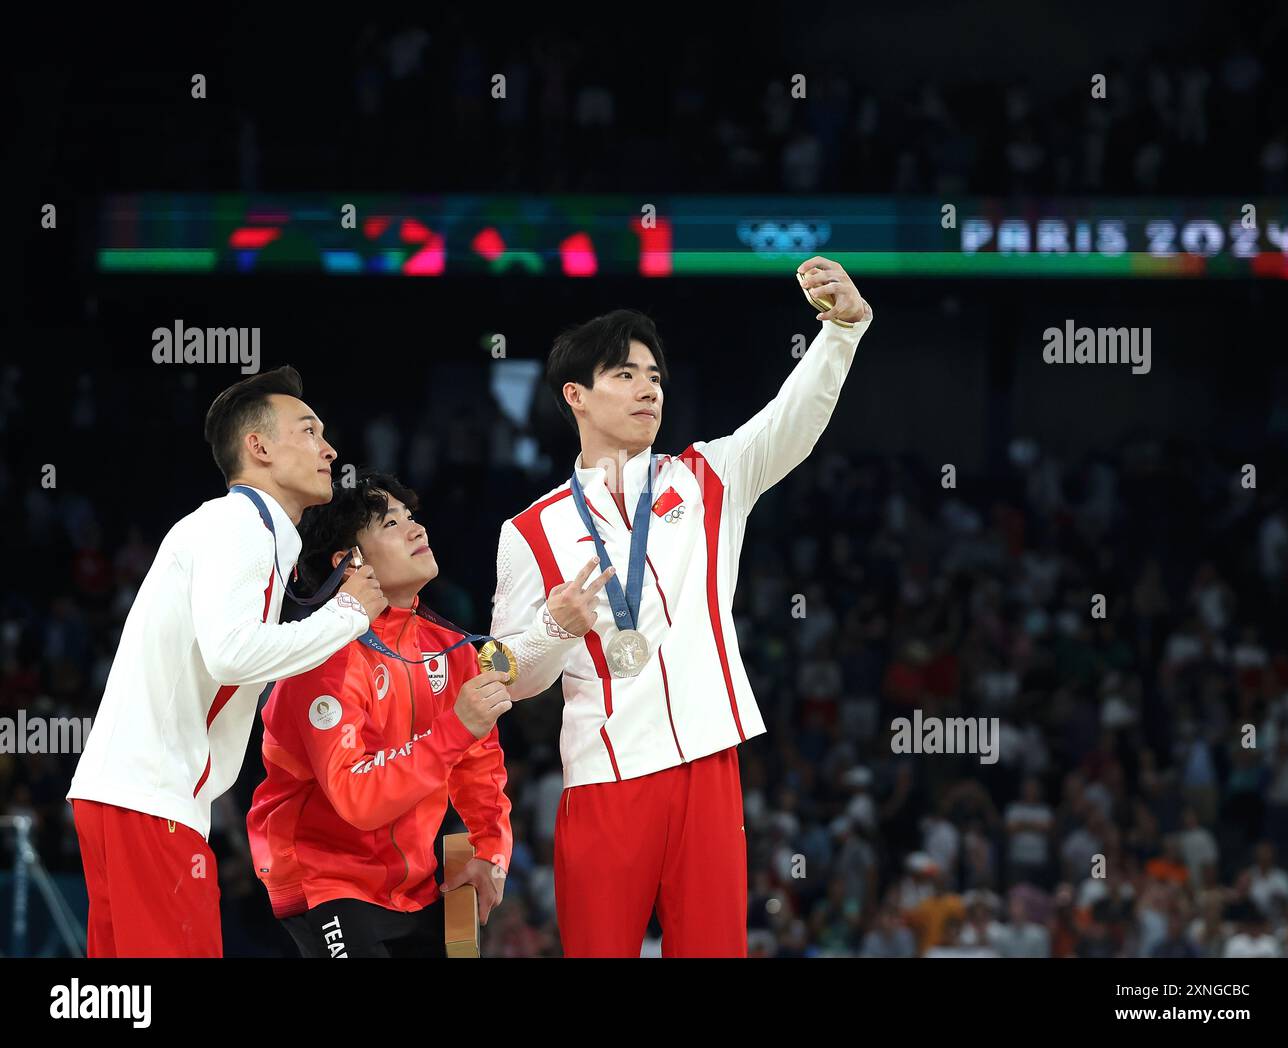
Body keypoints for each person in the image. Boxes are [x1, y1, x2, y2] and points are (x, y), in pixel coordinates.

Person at [489, 256, 873, 956]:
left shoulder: (708, 480)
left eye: (656, 376)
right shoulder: (530, 532)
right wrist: (552, 628)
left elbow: (791, 421)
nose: (648, 389)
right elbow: (506, 678)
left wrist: (842, 331)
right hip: (605, 781)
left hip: (708, 768)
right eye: (625, 374)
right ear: (575, 395)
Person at [66, 366, 387, 957]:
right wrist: (348, 615)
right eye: (309, 431)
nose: (329, 448)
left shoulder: (242, 530)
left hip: (130, 797)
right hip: (151, 798)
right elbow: (231, 653)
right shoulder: (237, 524)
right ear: (258, 447)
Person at [247, 469, 513, 958]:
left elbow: (479, 768)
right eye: (391, 524)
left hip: (416, 885)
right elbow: (357, 798)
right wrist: (457, 726)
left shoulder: (450, 647)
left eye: (412, 517)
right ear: (349, 564)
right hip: (328, 883)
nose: (418, 529)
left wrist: (488, 853)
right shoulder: (322, 657)